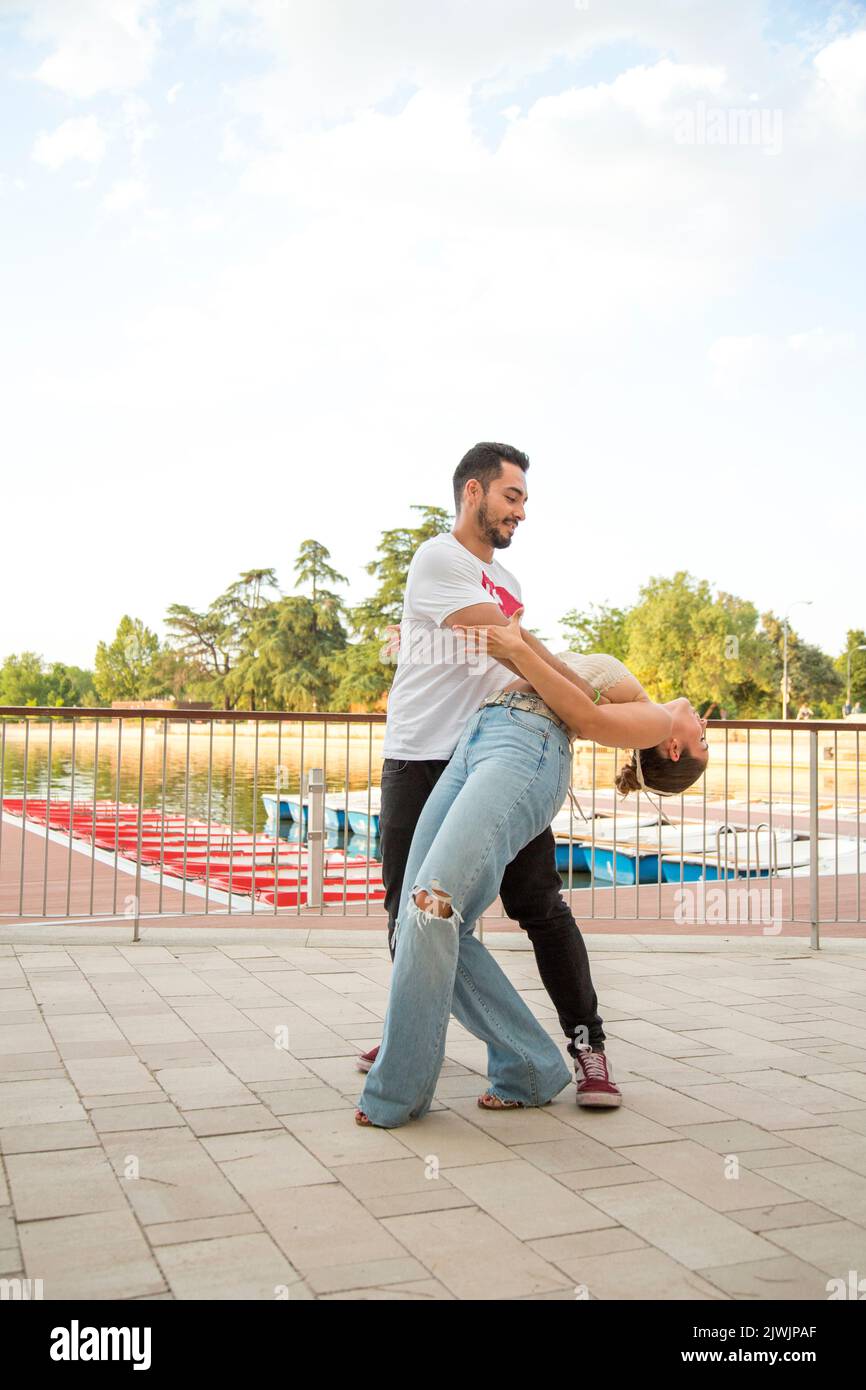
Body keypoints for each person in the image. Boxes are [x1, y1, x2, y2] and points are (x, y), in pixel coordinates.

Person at [356, 617, 709, 1128]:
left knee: (439, 906)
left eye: (703, 741)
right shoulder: (638, 697)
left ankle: (400, 1091)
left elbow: (580, 714)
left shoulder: (652, 720)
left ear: (673, 749)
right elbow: (540, 665)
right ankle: (528, 1064)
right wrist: (431, 637)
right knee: (423, 913)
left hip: (525, 747)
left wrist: (518, 649)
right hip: (479, 735)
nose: (704, 725)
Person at [358, 442, 623, 1109]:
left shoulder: (510, 585)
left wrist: (608, 708)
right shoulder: (440, 559)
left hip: (494, 761)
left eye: (526, 500)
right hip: (421, 756)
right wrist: (598, 706)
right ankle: (409, 1038)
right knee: (411, 913)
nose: (523, 512)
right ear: (473, 492)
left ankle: (586, 1047)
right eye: (513, 497)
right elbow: (515, 650)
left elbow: (523, 663)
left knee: (538, 905)